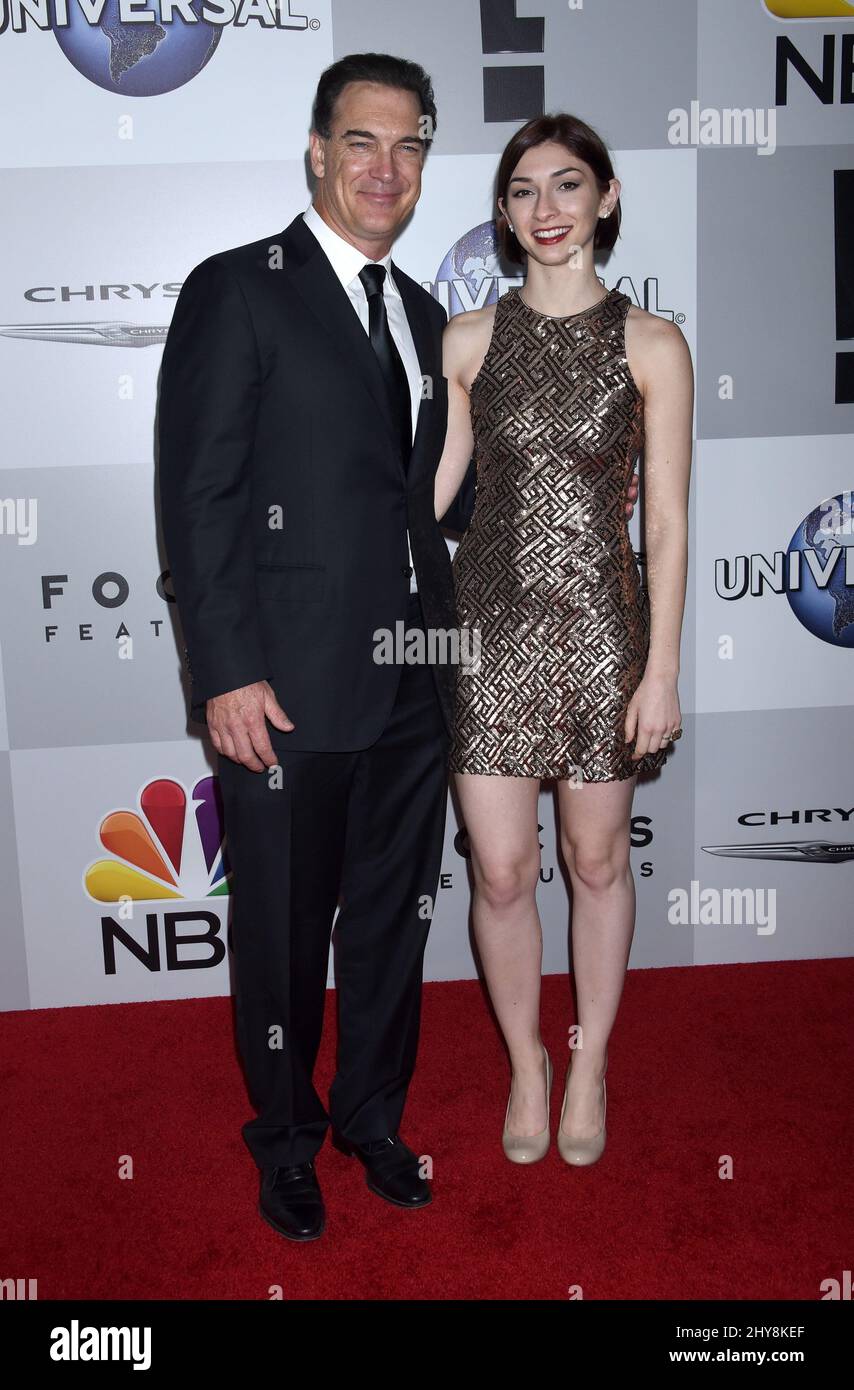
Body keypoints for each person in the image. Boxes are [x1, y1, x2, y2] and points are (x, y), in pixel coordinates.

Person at [158, 54, 463, 1242]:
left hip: (411, 674)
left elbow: (432, 500)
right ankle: (284, 1136)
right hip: (279, 683)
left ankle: (370, 1119)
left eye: (408, 147)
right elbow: (199, 494)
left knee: (391, 911)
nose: (385, 169)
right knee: (282, 926)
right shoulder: (239, 288)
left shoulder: (429, 316)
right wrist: (223, 669)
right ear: (316, 152)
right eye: (360, 142)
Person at [434, 113, 692, 1167]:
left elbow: (666, 524)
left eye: (566, 185)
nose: (546, 209)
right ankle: (526, 1065)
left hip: (601, 636)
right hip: (484, 636)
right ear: (502, 215)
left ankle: (586, 1062)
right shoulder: (465, 341)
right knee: (499, 872)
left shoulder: (651, 344)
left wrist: (660, 669)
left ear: (606, 197)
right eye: (524, 191)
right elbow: (428, 501)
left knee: (592, 861)